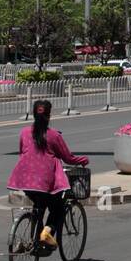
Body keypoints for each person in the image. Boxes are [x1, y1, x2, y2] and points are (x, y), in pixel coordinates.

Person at [7, 100, 88, 248]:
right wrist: (83, 160)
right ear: (49, 115)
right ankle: (46, 233)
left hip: (25, 180)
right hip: (45, 182)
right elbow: (68, 158)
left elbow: (22, 153)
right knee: (57, 209)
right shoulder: (53, 135)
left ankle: (35, 242)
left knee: (39, 206)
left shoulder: (24, 132)